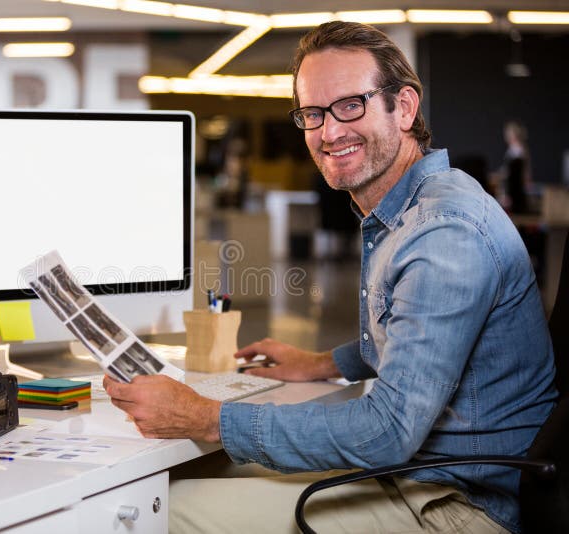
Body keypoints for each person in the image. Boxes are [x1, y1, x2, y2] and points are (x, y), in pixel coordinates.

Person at [104, 21, 556, 534]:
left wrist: (204, 416)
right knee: (187, 473)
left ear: (405, 107)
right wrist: (321, 363)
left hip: (455, 503)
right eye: (313, 114)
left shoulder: (444, 233)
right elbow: (414, 338)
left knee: (151, 511)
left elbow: (389, 430)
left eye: (351, 105)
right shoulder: (409, 209)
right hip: (416, 473)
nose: (329, 132)